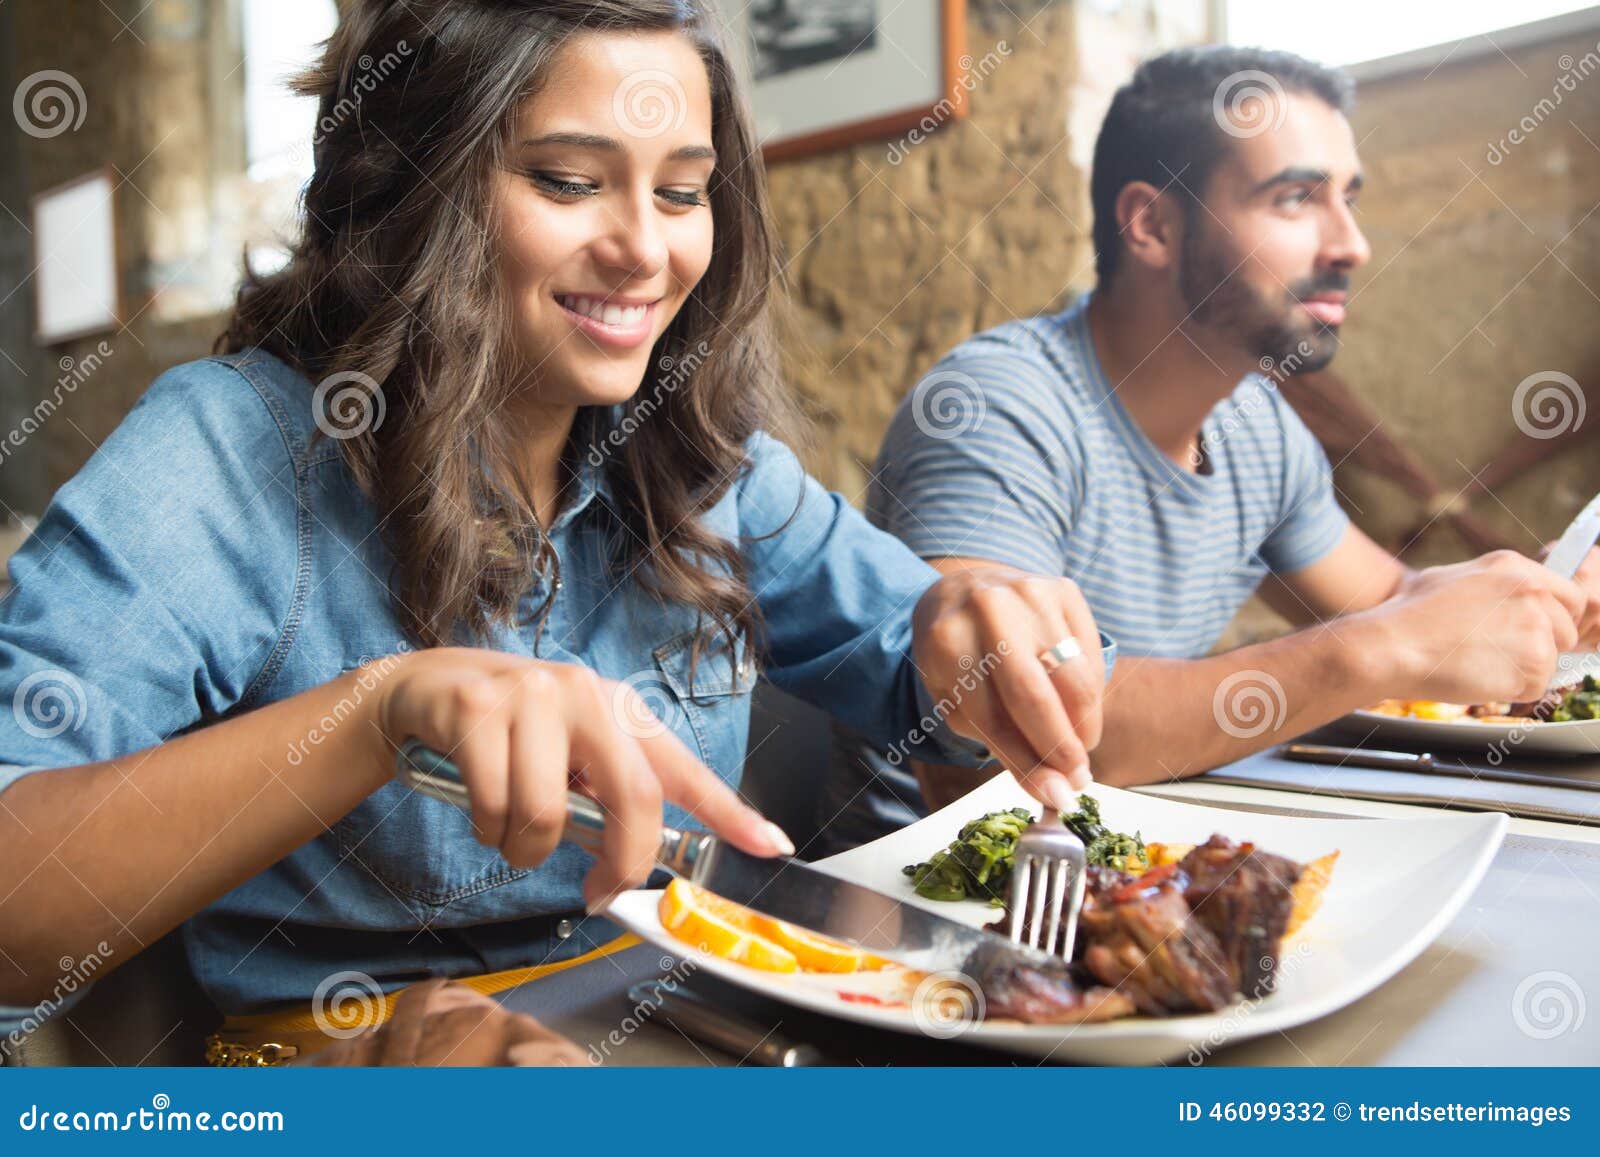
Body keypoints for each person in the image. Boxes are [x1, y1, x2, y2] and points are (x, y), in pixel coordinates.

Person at [0, 0, 1110, 1049]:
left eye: (683, 193)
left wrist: (970, 634)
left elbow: (934, 690)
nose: (644, 248)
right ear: (414, 186)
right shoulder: (223, 451)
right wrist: (377, 712)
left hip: (701, 1035)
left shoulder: (703, 463)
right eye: (570, 181)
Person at [818, 45, 1599, 854]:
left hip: (1135, 868)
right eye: (1296, 199)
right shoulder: (997, 409)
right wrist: (1385, 649)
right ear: (1152, 223)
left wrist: (1547, 600)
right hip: (914, 912)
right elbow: (1017, 728)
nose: (1352, 244)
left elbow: (1395, 602)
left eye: (1349, 199)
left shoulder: (1256, 424)